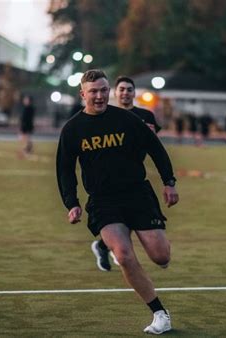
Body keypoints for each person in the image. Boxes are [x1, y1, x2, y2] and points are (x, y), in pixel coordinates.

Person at [57, 70, 178, 334]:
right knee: (123, 255)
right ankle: (159, 313)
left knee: (161, 256)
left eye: (103, 90)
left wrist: (169, 182)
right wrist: (72, 203)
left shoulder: (127, 120)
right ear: (82, 94)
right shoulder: (73, 129)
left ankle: (153, 246)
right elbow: (65, 169)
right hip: (104, 202)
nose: (99, 96)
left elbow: (156, 149)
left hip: (137, 194)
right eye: (93, 91)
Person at [90, 76, 163, 272]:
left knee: (130, 215)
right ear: (115, 92)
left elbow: (154, 144)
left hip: (133, 174)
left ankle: (104, 246)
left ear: (134, 93)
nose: (125, 93)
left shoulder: (145, 116)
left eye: (129, 89)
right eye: (121, 89)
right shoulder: (103, 115)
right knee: (123, 215)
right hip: (109, 178)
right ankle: (111, 246)